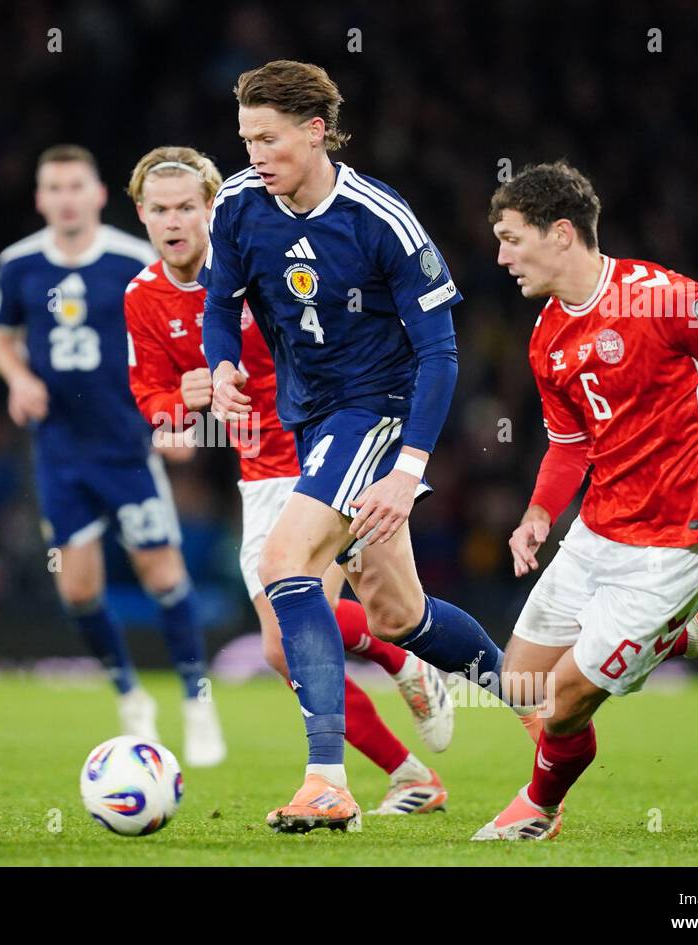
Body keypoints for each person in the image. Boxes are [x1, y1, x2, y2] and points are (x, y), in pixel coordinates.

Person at [202, 61, 518, 832]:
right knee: (398, 612)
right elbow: (219, 302)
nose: (253, 155)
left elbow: (440, 352)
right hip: (309, 416)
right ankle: (540, 705)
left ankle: (326, 779)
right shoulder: (242, 206)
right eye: (246, 139)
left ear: (315, 131)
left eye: (268, 138)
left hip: (374, 409)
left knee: (285, 566)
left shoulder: (381, 218)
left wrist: (409, 468)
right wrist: (220, 366)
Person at [125, 145, 453, 815]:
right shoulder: (143, 299)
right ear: (140, 215)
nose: (174, 221)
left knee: (301, 626)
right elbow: (150, 398)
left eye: (188, 206)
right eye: (159, 209)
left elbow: (320, 337)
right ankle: (412, 747)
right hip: (258, 475)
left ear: (213, 208)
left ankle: (346, 771)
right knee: (308, 640)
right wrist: (180, 405)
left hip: (323, 449)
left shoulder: (254, 261)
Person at [475, 160, 698, 841]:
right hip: (597, 531)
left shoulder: (666, 298)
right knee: (520, 685)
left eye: (510, 237)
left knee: (560, 708)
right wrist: (537, 513)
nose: (501, 257)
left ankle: (538, 809)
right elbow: (570, 445)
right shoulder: (545, 337)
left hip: (682, 541)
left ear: (560, 233)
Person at [0, 144, 225, 766]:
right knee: (77, 589)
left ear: (97, 195)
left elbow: (172, 334)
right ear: (41, 199)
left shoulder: (133, 258)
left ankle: (198, 702)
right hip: (59, 451)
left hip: (126, 443)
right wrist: (16, 377)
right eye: (53, 188)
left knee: (164, 576)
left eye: (76, 187)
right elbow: (2, 338)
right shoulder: (17, 265)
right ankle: (128, 694)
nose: (66, 198)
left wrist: (174, 416)